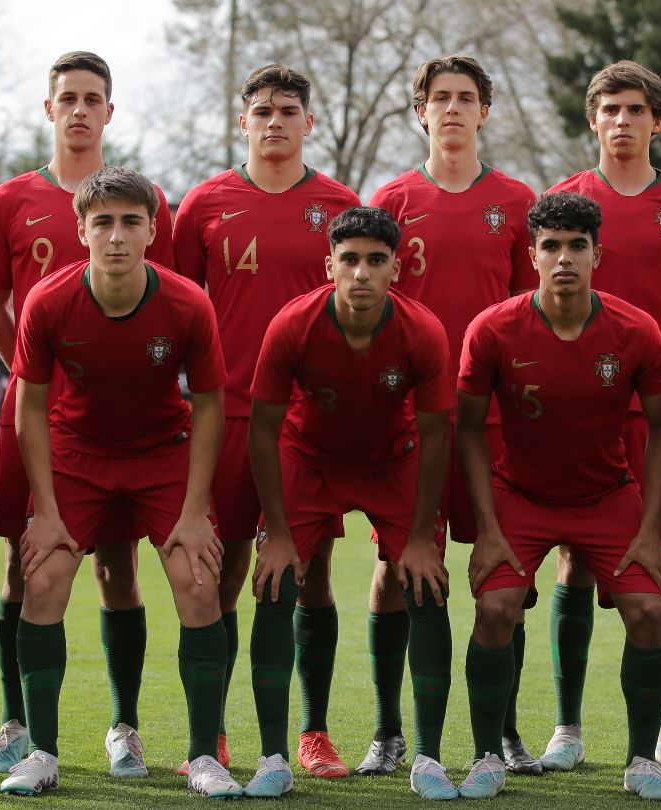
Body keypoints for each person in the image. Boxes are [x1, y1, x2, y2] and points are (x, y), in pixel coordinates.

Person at [3, 166, 237, 798]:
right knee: (44, 577)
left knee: (198, 579)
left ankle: (201, 755)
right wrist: (45, 512)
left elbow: (210, 404)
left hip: (162, 453)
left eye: (131, 221)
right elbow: (29, 406)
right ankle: (43, 752)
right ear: (81, 231)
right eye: (102, 221)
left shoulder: (187, 302)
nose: (116, 235)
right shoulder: (48, 302)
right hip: (78, 455)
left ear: (152, 231)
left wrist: (193, 513)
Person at [0, 50, 177, 775]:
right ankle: (15, 721)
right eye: (68, 97)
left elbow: (169, 297)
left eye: (94, 98)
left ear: (110, 112)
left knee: (118, 568)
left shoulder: (139, 198)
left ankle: (124, 725)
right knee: (23, 566)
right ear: (49, 109)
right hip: (34, 414)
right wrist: (34, 369)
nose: (81, 109)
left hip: (120, 419)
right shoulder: (8, 200)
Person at [172, 63, 360, 778]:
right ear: (241, 123)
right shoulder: (203, 205)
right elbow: (182, 310)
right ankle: (212, 735)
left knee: (309, 572)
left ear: (308, 123)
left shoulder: (339, 205)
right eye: (262, 110)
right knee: (218, 575)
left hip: (307, 420)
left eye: (288, 110)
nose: (275, 120)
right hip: (224, 415)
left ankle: (311, 733)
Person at [458, 191, 661, 801]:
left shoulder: (636, 330)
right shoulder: (494, 328)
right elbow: (469, 429)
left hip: (608, 497)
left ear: (596, 255)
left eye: (576, 247)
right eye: (550, 246)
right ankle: (485, 757)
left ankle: (641, 760)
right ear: (531, 255)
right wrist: (488, 526)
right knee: (497, 608)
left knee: (650, 610)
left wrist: (649, 528)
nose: (563, 258)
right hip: (519, 497)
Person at [363, 54, 538, 777]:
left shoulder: (519, 201)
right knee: (399, 570)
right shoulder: (394, 198)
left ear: (485, 112)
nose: (455, 108)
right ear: (422, 112)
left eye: (468, 97)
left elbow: (535, 312)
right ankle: (389, 730)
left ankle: (504, 731)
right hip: (413, 419)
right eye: (442, 98)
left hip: (495, 417)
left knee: (507, 574)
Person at [541, 59, 661, 775]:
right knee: (574, 558)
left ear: (657, 121)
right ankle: (568, 728)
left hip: (656, 412)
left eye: (635, 109)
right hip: (579, 411)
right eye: (609, 108)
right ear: (593, 118)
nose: (622, 120)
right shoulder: (564, 198)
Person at [246, 206, 455, 798]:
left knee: (424, 582)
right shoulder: (293, 324)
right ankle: (274, 756)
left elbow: (437, 432)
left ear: (396, 269)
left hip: (394, 461)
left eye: (376, 261)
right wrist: (279, 533)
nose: (361, 273)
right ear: (329, 265)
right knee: (276, 581)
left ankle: (428, 757)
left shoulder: (422, 330)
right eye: (350, 260)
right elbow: (262, 427)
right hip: (309, 460)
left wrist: (420, 537)